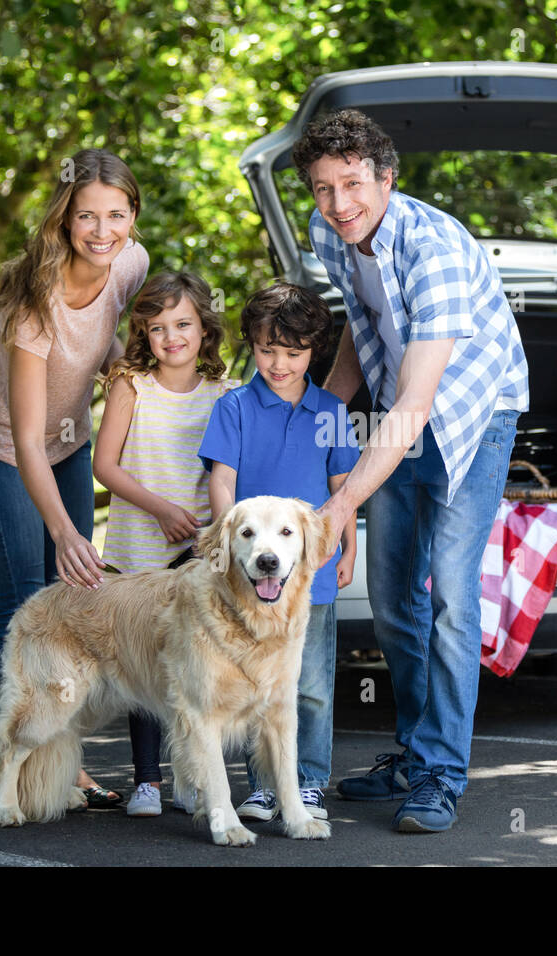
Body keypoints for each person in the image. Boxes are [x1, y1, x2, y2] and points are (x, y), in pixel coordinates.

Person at [293, 109, 529, 832]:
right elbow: (361, 337)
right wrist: (313, 417)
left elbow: (417, 401)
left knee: (453, 596)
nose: (340, 204)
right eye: (324, 188)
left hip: (473, 416)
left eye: (354, 184)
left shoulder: (437, 251)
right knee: (394, 599)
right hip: (399, 413)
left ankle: (441, 777)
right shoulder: (326, 234)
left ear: (387, 179)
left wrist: (341, 506)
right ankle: (416, 752)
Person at [0, 147, 149, 809]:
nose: (103, 230)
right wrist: (65, 531)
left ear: (132, 216)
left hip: (66, 441)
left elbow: (103, 344)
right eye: (87, 216)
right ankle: (20, 761)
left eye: (116, 215)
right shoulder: (32, 304)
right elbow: (25, 439)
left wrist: (130, 370)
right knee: (26, 598)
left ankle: (64, 762)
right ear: (65, 221)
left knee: (70, 602)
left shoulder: (131, 264)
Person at [197, 282, 359, 823]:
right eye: (267, 350)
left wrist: (348, 548)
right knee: (248, 686)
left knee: (308, 686)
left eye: (293, 352)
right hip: (247, 576)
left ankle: (307, 782)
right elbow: (224, 483)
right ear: (251, 345)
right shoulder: (234, 407)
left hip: (309, 575)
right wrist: (225, 551)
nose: (279, 363)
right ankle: (264, 787)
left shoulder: (332, 410)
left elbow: (343, 490)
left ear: (315, 351)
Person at [92, 271, 239, 817]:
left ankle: (193, 776)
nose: (171, 336)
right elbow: (103, 465)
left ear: (205, 329)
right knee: (143, 662)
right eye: (157, 328)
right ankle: (147, 781)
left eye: (183, 324)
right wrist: (160, 508)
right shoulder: (132, 385)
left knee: (196, 665)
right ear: (144, 335)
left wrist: (210, 532)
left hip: (199, 552)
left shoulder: (228, 394)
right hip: (138, 546)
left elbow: (230, 473)